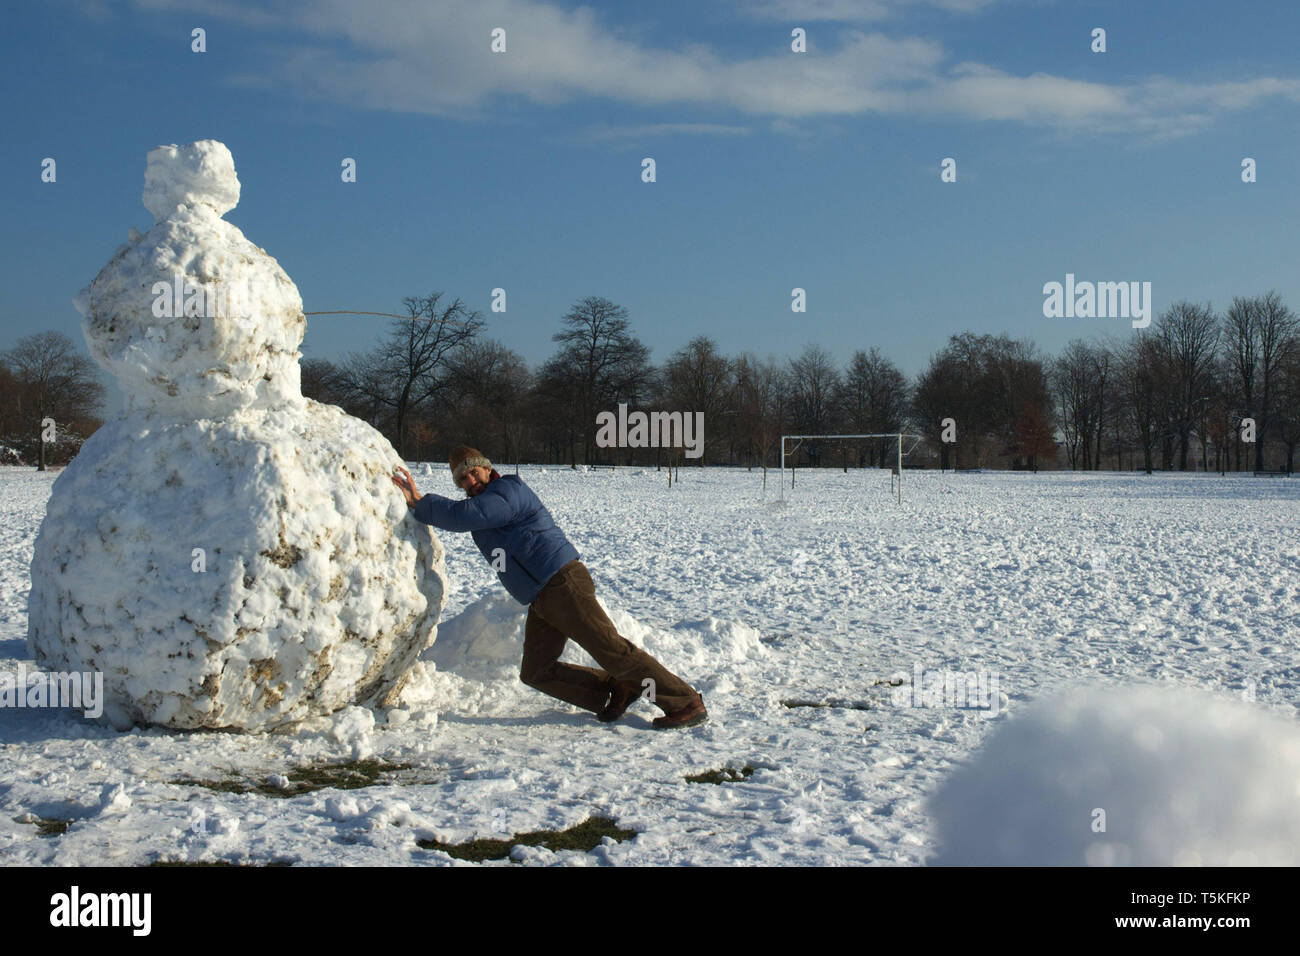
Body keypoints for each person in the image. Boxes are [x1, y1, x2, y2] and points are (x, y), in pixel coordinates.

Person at [391, 445, 707, 729]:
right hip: (541, 597)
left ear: (488, 468)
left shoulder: (508, 490)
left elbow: (467, 516)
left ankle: (685, 702)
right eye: (462, 480)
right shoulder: (484, 506)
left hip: (562, 581)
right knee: (535, 671)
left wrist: (420, 502)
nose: (470, 482)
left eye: (474, 472)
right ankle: (616, 690)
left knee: (612, 650)